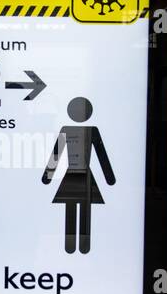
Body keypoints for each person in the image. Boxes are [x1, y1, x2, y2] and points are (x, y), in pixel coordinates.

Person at [42, 97, 115, 254]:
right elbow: (57, 152)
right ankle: (74, 244)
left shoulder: (76, 130)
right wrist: (109, 178)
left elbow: (57, 154)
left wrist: (47, 177)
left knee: (79, 208)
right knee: (77, 208)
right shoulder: (72, 130)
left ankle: (81, 244)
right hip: (80, 175)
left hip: (76, 175)